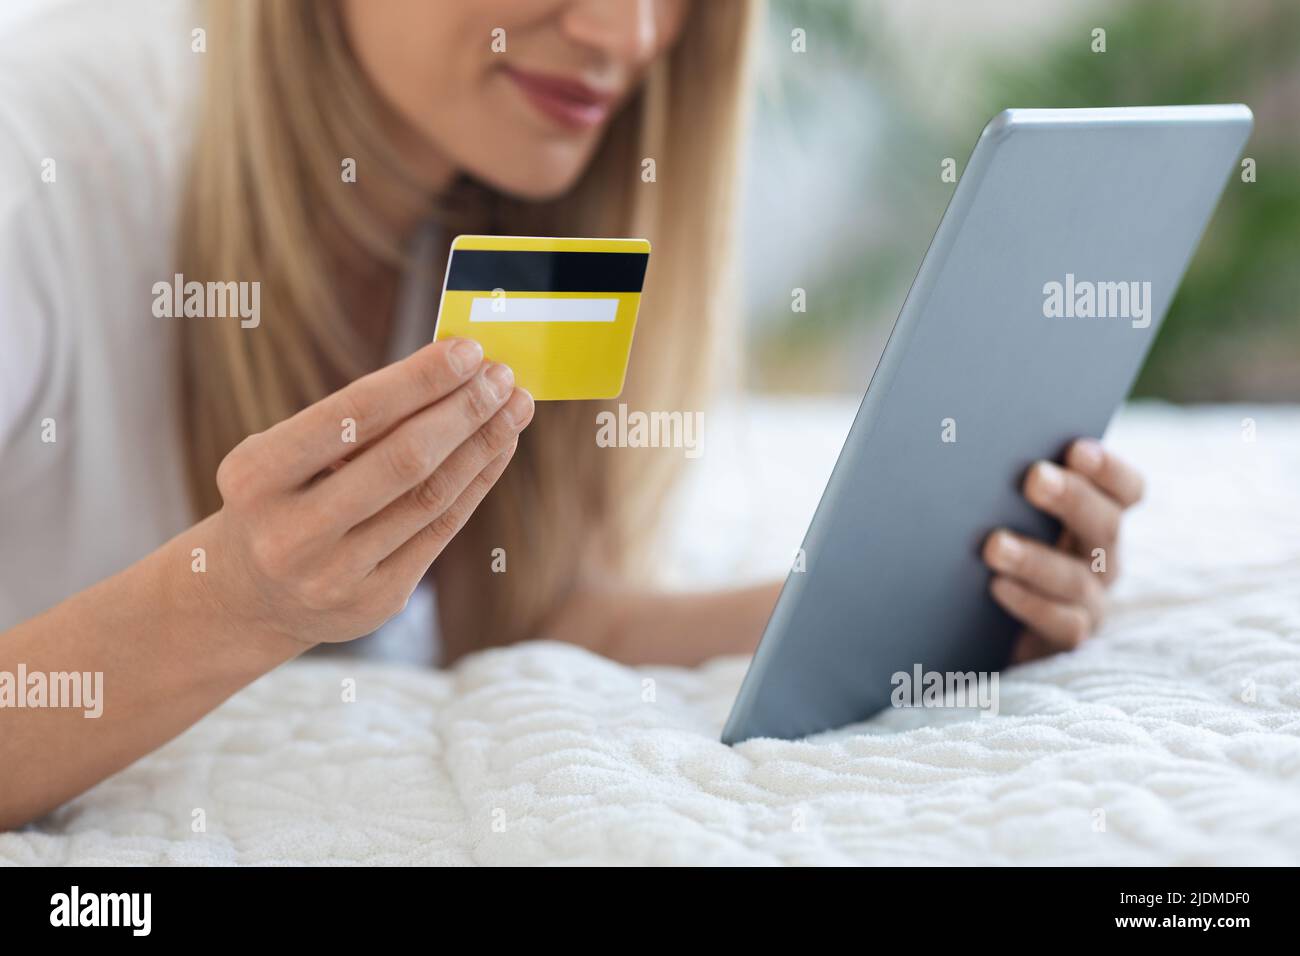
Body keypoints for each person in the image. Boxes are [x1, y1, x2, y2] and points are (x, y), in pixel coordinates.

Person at [0, 0, 1143, 829]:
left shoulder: (502, 183)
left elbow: (533, 614)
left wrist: (945, 600)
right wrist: (236, 601)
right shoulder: (37, 164)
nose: (628, 34)